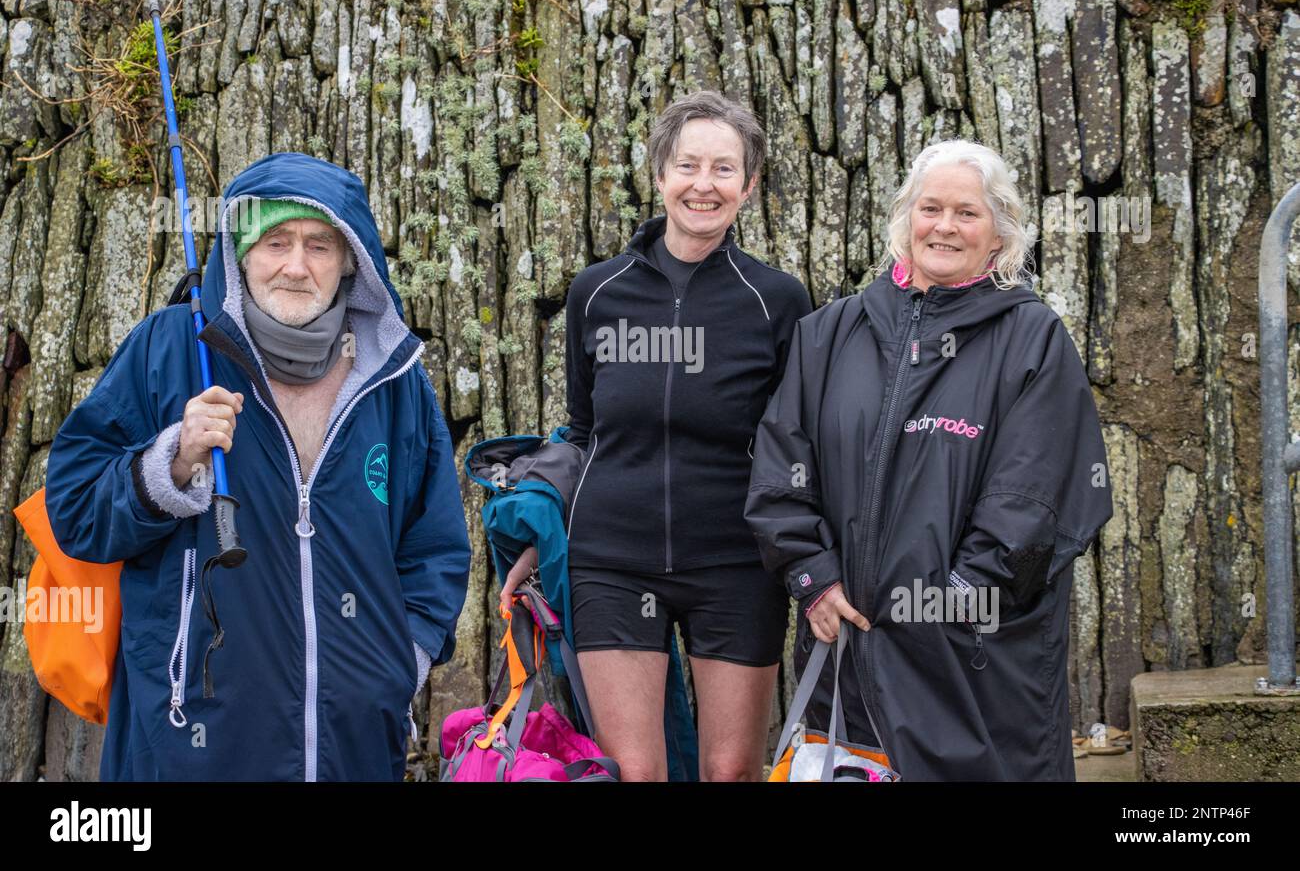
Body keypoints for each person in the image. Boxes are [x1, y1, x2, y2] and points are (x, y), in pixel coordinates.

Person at [44, 151, 472, 781]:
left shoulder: (393, 379)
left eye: (319, 245)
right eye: (275, 241)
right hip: (190, 740)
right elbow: (76, 510)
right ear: (241, 254)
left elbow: (435, 548)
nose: (296, 266)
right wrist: (173, 463)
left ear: (350, 260)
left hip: (350, 749)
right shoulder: (169, 350)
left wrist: (394, 667)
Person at [746, 139, 1113, 780]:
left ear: (998, 234)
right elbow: (781, 467)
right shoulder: (828, 334)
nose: (944, 226)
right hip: (845, 642)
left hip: (971, 657)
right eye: (930, 208)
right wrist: (813, 577)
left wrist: (950, 604)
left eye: (967, 213)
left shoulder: (1033, 340)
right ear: (905, 218)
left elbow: (1035, 498)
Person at [502, 90, 812, 781]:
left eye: (724, 169)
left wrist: (818, 563)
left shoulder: (778, 301)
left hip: (735, 563)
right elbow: (583, 431)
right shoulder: (598, 292)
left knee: (730, 772)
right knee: (634, 774)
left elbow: (799, 444)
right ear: (660, 173)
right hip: (612, 561)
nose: (704, 184)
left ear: (749, 185)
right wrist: (537, 530)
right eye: (687, 164)